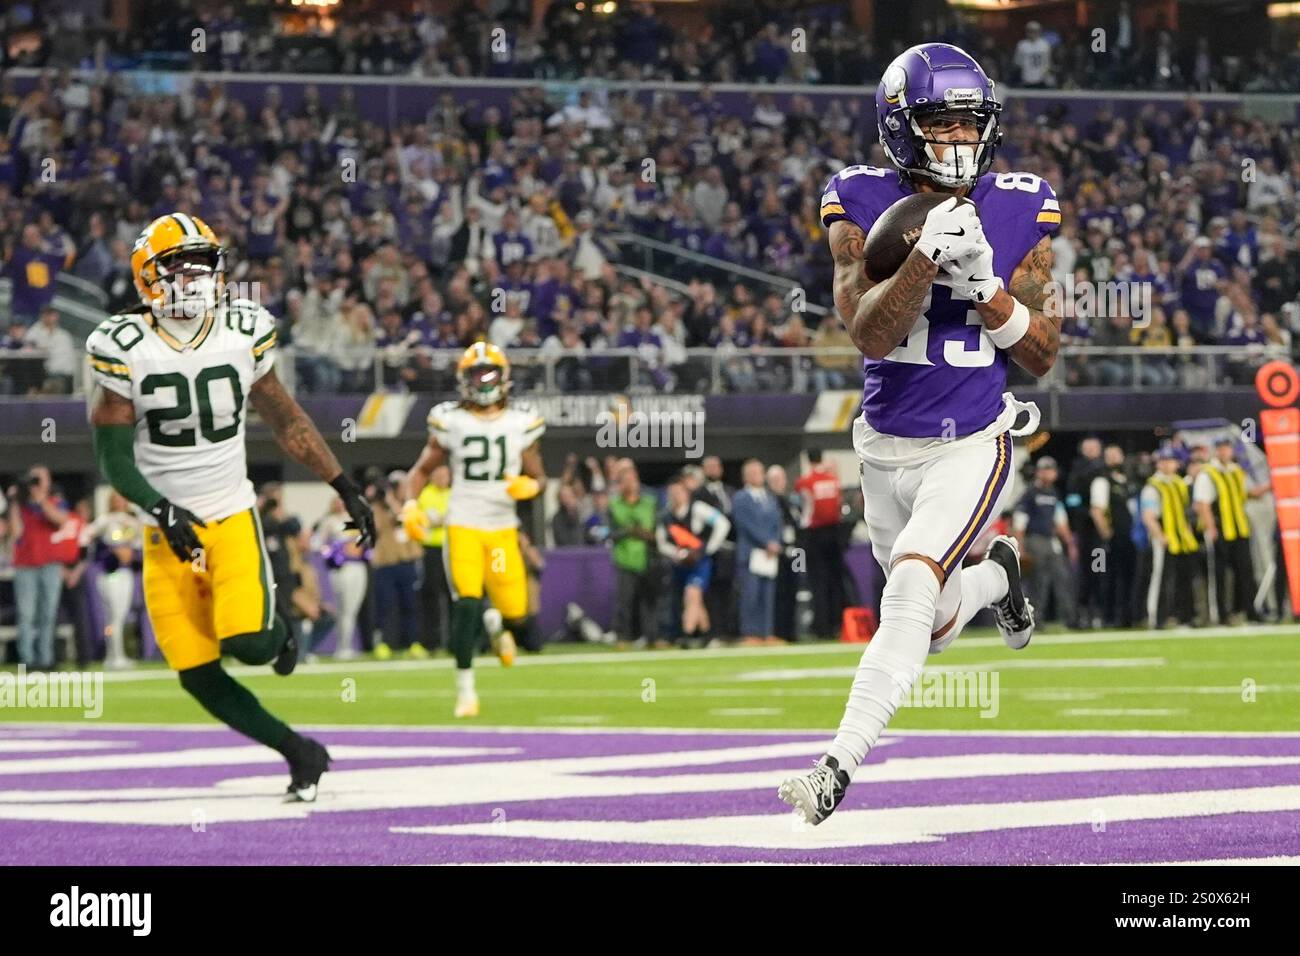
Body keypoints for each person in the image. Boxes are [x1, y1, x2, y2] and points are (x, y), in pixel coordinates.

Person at [780, 43, 1055, 825]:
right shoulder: (858, 197)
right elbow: (865, 332)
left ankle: (838, 762)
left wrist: (993, 294)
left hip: (973, 437)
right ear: (901, 128)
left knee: (909, 585)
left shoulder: (1022, 203)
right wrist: (927, 259)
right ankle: (998, 577)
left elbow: (1043, 354)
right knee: (931, 622)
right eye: (940, 124)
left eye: (971, 123)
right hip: (884, 442)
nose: (960, 140)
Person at [87, 213, 376, 802]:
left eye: (202, 266)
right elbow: (113, 458)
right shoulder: (122, 345)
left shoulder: (243, 330)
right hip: (164, 532)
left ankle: (281, 633)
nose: (193, 279)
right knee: (196, 674)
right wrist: (159, 508)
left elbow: (287, 420)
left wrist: (343, 485)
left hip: (229, 515)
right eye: (178, 267)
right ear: (147, 276)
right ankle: (300, 752)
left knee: (248, 641)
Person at [400, 342, 547, 718]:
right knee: (465, 601)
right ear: (463, 380)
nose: (483, 382)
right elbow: (418, 470)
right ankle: (466, 690)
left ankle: (496, 624)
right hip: (463, 521)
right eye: (476, 375)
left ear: (504, 377)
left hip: (501, 529)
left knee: (517, 612)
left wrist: (532, 487)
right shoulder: (452, 420)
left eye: (489, 374)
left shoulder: (521, 421)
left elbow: (540, 476)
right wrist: (410, 504)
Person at [1194, 437, 1266, 624]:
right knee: (1218, 574)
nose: (1224, 452)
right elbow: (1202, 504)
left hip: (1239, 528)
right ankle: (1221, 614)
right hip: (1220, 529)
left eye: (1227, 448)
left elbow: (1248, 494)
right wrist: (1211, 527)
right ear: (1215, 451)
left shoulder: (1236, 471)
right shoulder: (1208, 473)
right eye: (1221, 448)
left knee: (1246, 571)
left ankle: (1249, 611)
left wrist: (1270, 485)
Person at [5, 465, 70, 670]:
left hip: (50, 564)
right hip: (25, 565)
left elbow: (61, 521)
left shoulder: (55, 501)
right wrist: (14, 502)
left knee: (48, 613)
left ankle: (46, 659)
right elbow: (15, 532)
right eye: (34, 480)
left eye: (40, 480)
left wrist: (42, 499)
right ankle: (27, 660)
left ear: (48, 482)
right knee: (26, 614)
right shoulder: (20, 505)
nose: (36, 484)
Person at [657, 473, 731, 646]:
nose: (676, 497)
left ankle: (687, 634)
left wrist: (708, 549)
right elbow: (662, 543)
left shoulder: (697, 509)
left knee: (692, 594)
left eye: (679, 492)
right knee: (694, 599)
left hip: (699, 563)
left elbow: (722, 524)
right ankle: (708, 635)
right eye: (672, 493)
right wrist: (677, 553)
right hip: (680, 563)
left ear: (686, 493)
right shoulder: (666, 515)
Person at [1012, 456, 1077, 625]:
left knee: (1061, 577)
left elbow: (1060, 520)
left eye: (1051, 470)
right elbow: (1019, 520)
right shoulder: (1030, 493)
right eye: (1046, 470)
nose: (1049, 473)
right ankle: (1036, 618)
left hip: (1050, 539)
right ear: (1039, 472)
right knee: (1038, 581)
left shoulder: (1053, 493)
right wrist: (1020, 546)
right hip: (1035, 539)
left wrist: (1070, 543)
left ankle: (1070, 618)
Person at [82, 491, 143, 668]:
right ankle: (114, 656)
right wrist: (107, 551)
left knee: (121, 616)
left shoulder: (133, 521)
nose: (119, 503)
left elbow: (140, 542)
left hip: (126, 572)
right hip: (110, 571)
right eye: (115, 500)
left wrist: (131, 554)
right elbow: (87, 535)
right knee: (113, 616)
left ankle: (117, 654)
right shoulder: (105, 520)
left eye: (122, 499)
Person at [1141, 446, 1200, 628]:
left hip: (1182, 538)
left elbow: (1185, 512)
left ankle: (1186, 618)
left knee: (1185, 579)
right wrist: (1159, 535)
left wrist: (1188, 531)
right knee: (1161, 579)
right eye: (1164, 461)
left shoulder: (1179, 483)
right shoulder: (1152, 486)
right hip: (1164, 538)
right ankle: (1156, 618)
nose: (1167, 464)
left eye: (1170, 460)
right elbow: (1148, 516)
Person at [795, 449, 849, 639]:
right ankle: (837, 623)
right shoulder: (833, 480)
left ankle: (821, 627)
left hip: (815, 535)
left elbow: (806, 513)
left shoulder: (805, 482)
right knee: (835, 581)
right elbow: (839, 506)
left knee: (818, 582)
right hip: (834, 535)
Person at [608, 459, 660, 648]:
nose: (630, 484)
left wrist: (651, 536)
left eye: (633, 479)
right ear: (620, 484)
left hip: (648, 557)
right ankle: (623, 636)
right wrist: (629, 531)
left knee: (650, 601)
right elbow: (610, 533)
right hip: (625, 558)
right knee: (625, 601)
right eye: (625, 480)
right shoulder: (614, 505)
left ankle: (652, 637)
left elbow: (659, 528)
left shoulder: (650, 502)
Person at [732, 459, 782, 646]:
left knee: (768, 594)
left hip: (770, 554)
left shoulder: (770, 497)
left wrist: (775, 542)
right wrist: (766, 542)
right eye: (754, 473)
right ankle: (750, 632)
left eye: (761, 472)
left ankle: (767, 632)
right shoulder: (741, 498)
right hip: (751, 553)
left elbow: (777, 521)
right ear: (746, 476)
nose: (759, 476)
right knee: (750, 594)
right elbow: (746, 525)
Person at [314, 495, 369, 660]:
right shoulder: (329, 521)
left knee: (353, 608)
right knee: (343, 608)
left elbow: (368, 540)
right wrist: (332, 552)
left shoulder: (358, 519)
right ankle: (342, 647)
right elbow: (316, 543)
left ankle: (346, 646)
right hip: (341, 568)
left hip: (358, 566)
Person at [1090, 444, 1138, 627]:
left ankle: (1125, 616)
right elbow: (1097, 511)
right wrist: (1106, 535)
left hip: (1126, 539)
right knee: (1102, 575)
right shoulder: (1102, 481)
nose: (1114, 459)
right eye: (1110, 456)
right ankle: (1104, 617)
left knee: (1126, 577)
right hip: (1104, 542)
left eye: (1117, 455)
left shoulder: (1127, 482)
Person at [414, 464, 452, 652]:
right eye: (439, 474)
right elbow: (428, 520)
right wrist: (444, 520)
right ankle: (431, 642)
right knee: (431, 597)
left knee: (454, 596)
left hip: (453, 549)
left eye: (445, 474)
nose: (443, 478)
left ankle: (455, 642)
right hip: (431, 550)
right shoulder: (425, 494)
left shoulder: (454, 494)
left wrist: (443, 520)